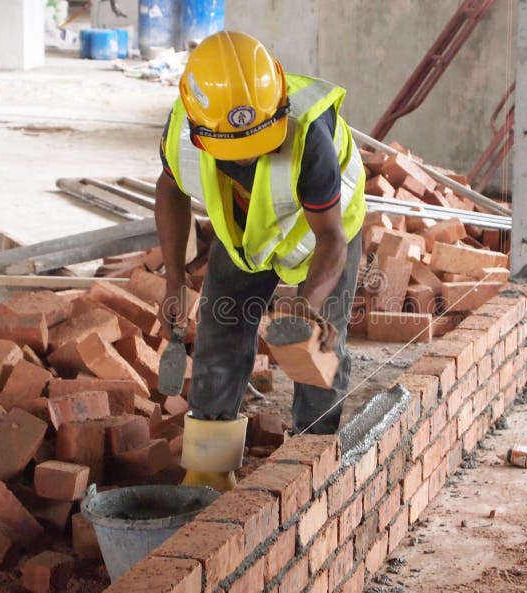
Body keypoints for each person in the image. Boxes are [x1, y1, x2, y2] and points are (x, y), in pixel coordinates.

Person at [155, 30, 366, 491]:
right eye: (235, 151)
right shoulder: (183, 128)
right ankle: (210, 469)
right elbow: (170, 189)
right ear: (199, 129)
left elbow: (330, 237)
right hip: (247, 234)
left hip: (322, 237)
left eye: (260, 144)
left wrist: (307, 304)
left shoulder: (309, 134)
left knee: (317, 344)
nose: (249, 157)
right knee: (220, 330)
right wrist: (174, 279)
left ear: (278, 106)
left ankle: (309, 469)